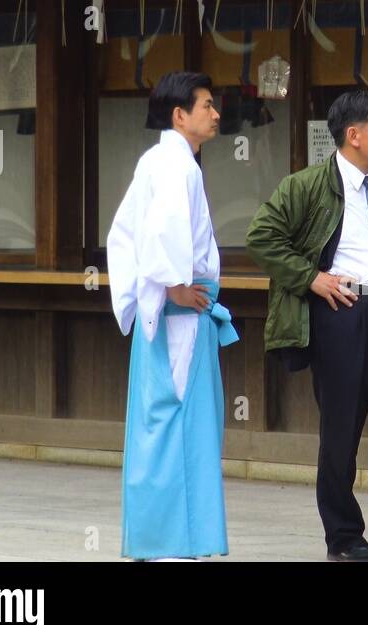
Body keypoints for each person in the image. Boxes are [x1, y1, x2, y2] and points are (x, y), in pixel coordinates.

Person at [247, 91, 368, 562]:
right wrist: (311, 277)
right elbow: (261, 237)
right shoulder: (307, 185)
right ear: (353, 135)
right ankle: (345, 539)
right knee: (340, 435)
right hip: (343, 316)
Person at [106, 71, 240, 561]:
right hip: (178, 314)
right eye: (207, 105)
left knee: (162, 420)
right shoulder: (173, 165)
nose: (215, 113)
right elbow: (158, 230)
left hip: (168, 311)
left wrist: (160, 289)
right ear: (179, 114)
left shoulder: (162, 161)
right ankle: (172, 544)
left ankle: (164, 540)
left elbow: (123, 235)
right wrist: (173, 285)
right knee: (179, 422)